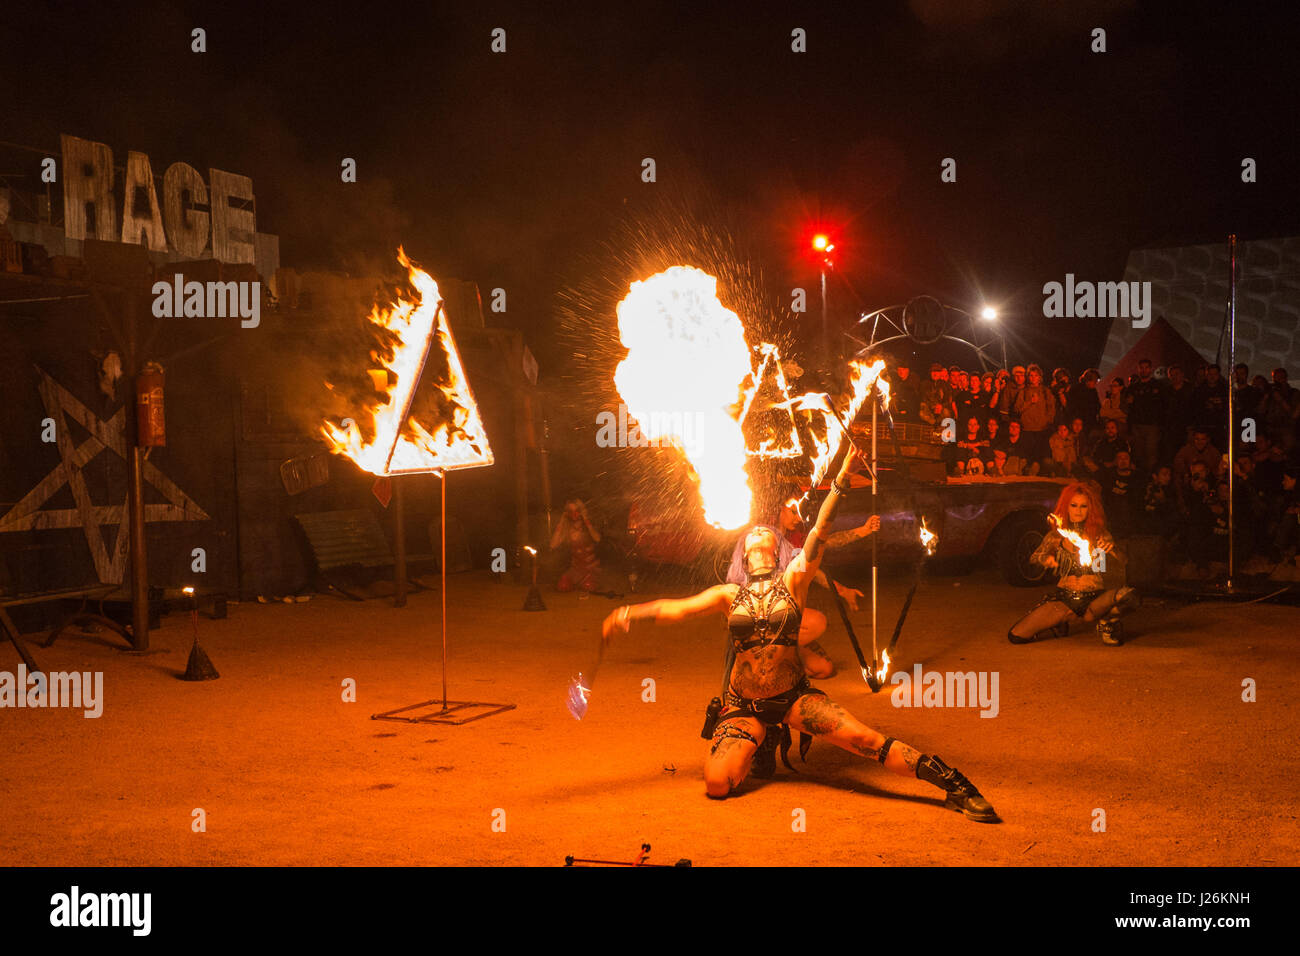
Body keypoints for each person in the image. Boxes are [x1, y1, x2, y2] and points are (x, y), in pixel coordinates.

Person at [600, 450, 998, 820]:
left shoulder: (793, 580)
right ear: (743, 552)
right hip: (743, 706)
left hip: (793, 699)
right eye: (752, 535)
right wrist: (630, 613)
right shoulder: (728, 594)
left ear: (776, 550)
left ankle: (952, 783)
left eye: (765, 535)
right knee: (718, 784)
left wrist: (842, 478)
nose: (758, 534)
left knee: (865, 739)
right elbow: (678, 608)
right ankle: (762, 740)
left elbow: (820, 531)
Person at [722, 498, 877, 679]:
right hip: (755, 613)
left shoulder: (793, 537)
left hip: (781, 617)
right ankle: (759, 655)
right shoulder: (759, 537)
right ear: (778, 509)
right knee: (816, 622)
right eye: (793, 511)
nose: (798, 518)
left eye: (800, 511)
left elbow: (814, 559)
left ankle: (776, 661)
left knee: (823, 668)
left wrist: (843, 590)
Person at [1007, 483, 1139, 646]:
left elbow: (1124, 561)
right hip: (1065, 599)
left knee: (1130, 597)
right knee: (1017, 636)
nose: (1078, 510)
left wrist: (1113, 550)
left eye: (1084, 506)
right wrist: (1046, 560)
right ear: (1066, 507)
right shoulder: (1057, 535)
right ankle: (1061, 622)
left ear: (1090, 509)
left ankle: (1108, 621)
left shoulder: (1100, 534)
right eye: (1074, 505)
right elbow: (1035, 557)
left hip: (1095, 599)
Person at [1123, 358, 1165, 473]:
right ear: (1138, 369)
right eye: (1141, 368)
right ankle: (1138, 479)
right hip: (1136, 425)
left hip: (1152, 426)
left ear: (1150, 369)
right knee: (1137, 454)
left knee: (1151, 454)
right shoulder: (1133, 387)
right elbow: (1126, 406)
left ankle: (1150, 479)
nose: (1144, 370)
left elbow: (1164, 406)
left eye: (1146, 367)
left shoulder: (1159, 386)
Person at [551, 499, 601, 591]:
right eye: (570, 511)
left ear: (581, 511)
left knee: (588, 586)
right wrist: (562, 521)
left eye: (577, 511)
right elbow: (553, 545)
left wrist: (586, 520)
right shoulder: (567, 528)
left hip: (591, 568)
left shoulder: (587, 526)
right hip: (575, 570)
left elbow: (597, 538)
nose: (574, 514)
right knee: (563, 586)